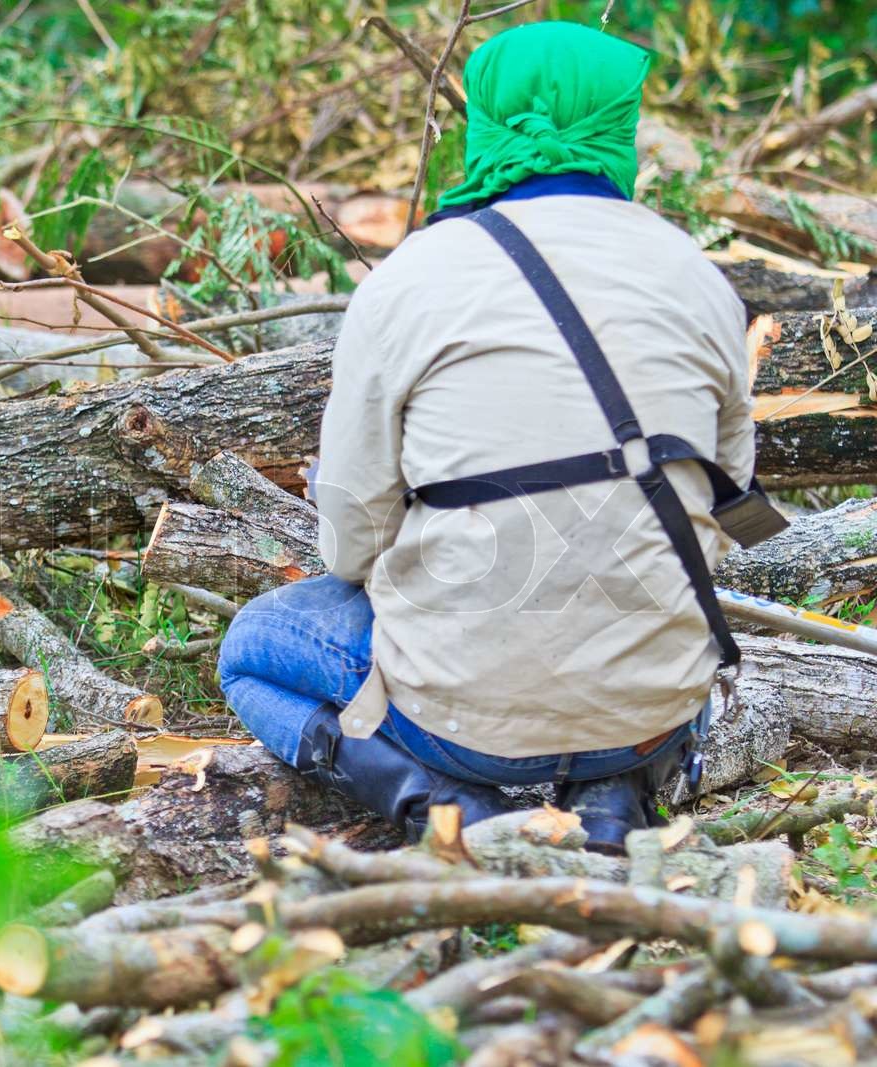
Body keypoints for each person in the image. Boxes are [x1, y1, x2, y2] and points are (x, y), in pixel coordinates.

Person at [218, 21, 777, 855]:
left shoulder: (409, 278)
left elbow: (348, 549)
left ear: (482, 123)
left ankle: (446, 811)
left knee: (251, 648)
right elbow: (733, 512)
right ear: (617, 127)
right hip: (653, 713)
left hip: (460, 719)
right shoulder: (698, 276)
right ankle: (612, 795)